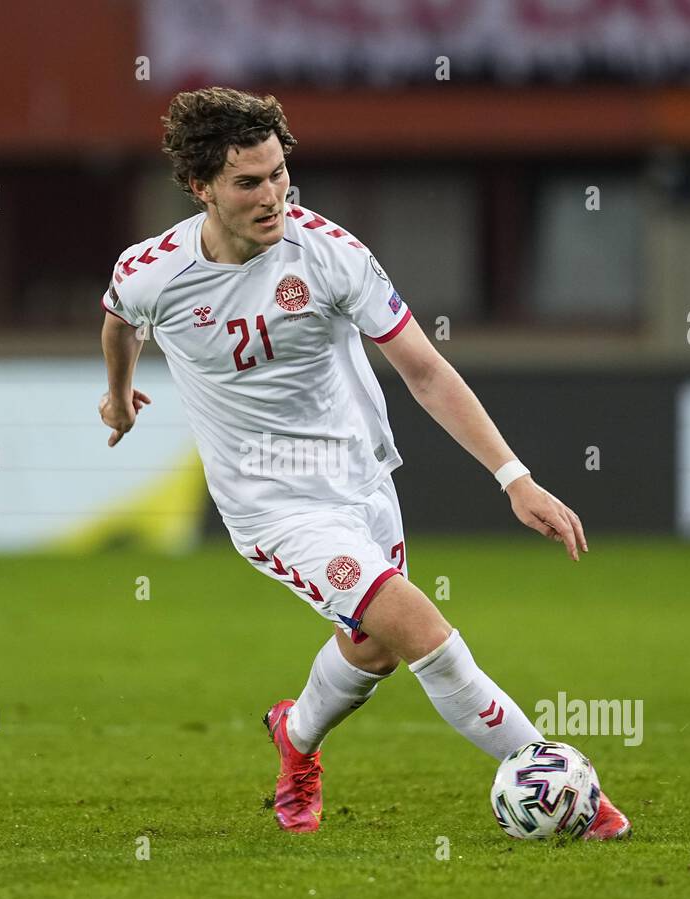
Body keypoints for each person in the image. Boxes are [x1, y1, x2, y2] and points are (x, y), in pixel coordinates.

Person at [98, 86, 629, 839]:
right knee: (414, 624)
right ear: (200, 187)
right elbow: (120, 320)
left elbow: (425, 371)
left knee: (374, 649)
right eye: (248, 183)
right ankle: (562, 786)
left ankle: (296, 737)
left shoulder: (330, 254)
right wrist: (119, 397)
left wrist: (516, 479)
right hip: (270, 503)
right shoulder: (154, 271)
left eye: (279, 174)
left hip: (361, 479)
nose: (272, 196)